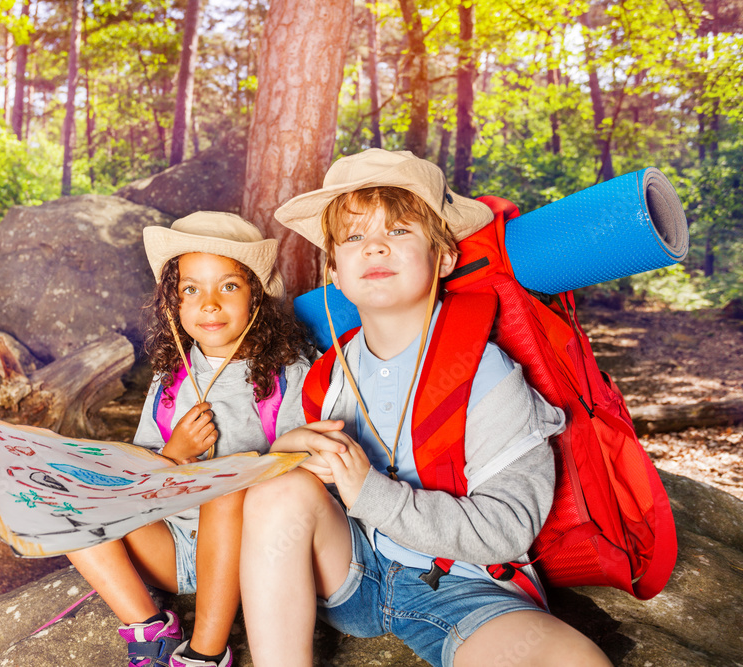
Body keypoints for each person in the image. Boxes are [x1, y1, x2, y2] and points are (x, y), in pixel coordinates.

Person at [238, 149, 612, 667]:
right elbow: (300, 505)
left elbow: (509, 527)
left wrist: (372, 493)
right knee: (275, 490)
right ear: (334, 272)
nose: (374, 246)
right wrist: (288, 454)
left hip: (465, 585)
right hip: (351, 571)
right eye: (353, 237)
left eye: (399, 231)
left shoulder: (486, 373)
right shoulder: (329, 374)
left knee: (573, 661)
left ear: (444, 258)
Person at [67, 211, 311, 667]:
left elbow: (302, 473)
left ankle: (206, 652)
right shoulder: (170, 376)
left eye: (229, 286)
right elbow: (138, 472)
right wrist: (172, 454)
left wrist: (241, 469)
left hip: (252, 554)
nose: (210, 304)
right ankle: (150, 632)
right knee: (69, 500)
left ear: (257, 297)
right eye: (191, 290)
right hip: (170, 547)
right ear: (173, 303)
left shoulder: (288, 373)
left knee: (226, 487)